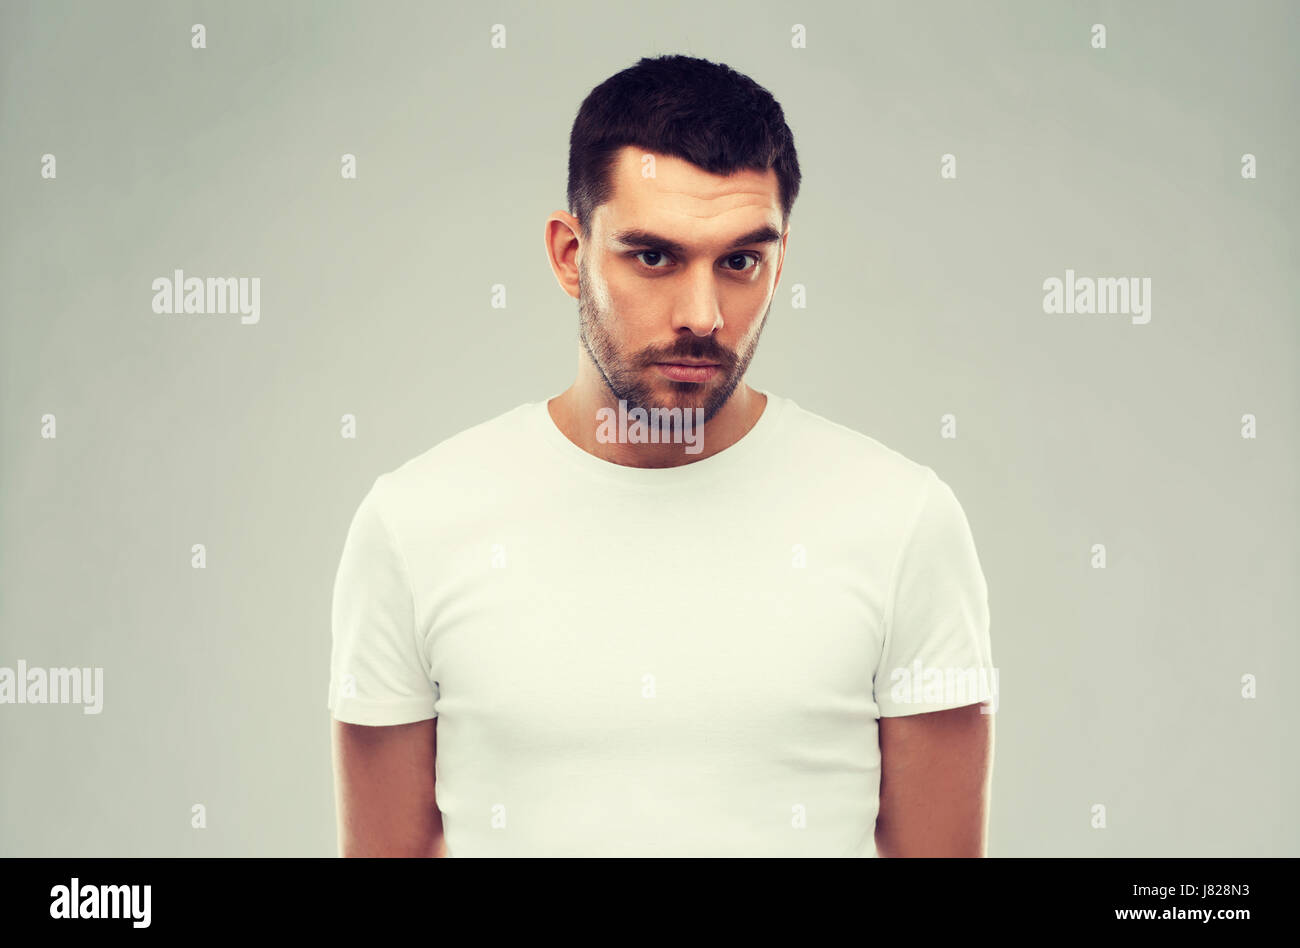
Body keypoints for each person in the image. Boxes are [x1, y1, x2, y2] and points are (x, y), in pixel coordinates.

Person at [329, 54, 995, 857]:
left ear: (781, 259)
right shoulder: (414, 524)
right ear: (570, 255)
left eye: (741, 261)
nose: (703, 314)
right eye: (653, 257)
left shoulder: (903, 522)